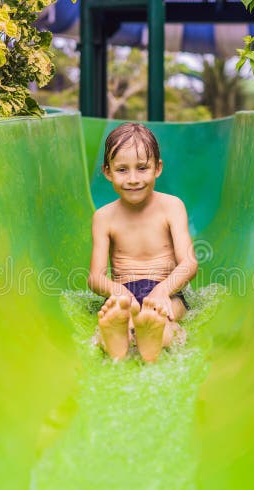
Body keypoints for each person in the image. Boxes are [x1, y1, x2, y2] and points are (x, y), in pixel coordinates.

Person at [87, 123, 198, 363]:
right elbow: (95, 278)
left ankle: (150, 336)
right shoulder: (103, 218)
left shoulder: (172, 207)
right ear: (107, 172)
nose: (133, 179)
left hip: (167, 290)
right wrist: (119, 293)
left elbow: (188, 263)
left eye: (142, 168)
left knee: (169, 313)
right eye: (122, 170)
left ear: (157, 168)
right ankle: (121, 340)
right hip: (122, 293)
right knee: (118, 315)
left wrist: (162, 291)